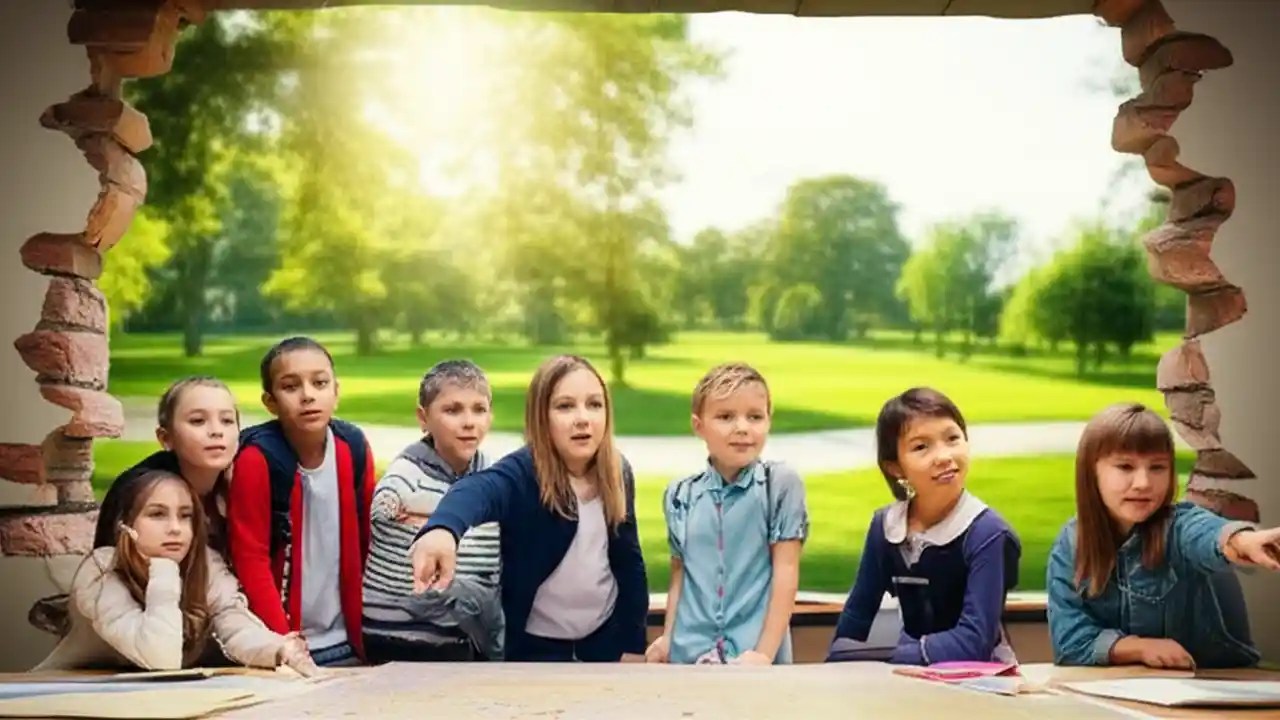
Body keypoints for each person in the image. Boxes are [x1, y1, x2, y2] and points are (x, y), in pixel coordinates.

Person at [408, 354, 649, 663]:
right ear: (541, 416)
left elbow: (629, 563)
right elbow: (479, 490)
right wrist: (443, 529)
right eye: (565, 406)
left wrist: (633, 644)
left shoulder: (616, 470)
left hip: (604, 641)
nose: (582, 418)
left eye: (594, 404)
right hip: (536, 649)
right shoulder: (524, 472)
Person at [1047, 401, 1280, 669]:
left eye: (1157, 467)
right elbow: (1069, 643)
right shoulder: (1070, 544)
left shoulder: (1179, 525)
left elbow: (1207, 533)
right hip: (1126, 692)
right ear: (1091, 472)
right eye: (1125, 467)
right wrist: (1139, 648)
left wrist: (1241, 540)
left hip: (1216, 685)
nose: (1144, 483)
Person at [34, 470, 317, 675]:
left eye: (185, 516)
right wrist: (164, 571)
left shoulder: (205, 563)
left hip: (150, 698)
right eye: (157, 514)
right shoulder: (101, 570)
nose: (175, 528)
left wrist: (278, 649)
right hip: (66, 695)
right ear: (125, 525)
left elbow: (235, 624)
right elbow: (160, 657)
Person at [31, 376, 240, 640]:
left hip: (215, 623)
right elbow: (112, 573)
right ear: (166, 438)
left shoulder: (240, 483)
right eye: (198, 421)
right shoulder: (140, 490)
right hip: (136, 628)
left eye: (227, 420)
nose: (216, 431)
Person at [827, 387, 1021, 665]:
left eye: (952, 439)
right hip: (910, 674)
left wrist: (886, 658)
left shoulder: (988, 533)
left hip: (982, 676)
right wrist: (836, 665)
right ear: (895, 467)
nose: (944, 456)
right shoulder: (886, 526)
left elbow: (974, 642)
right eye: (921, 447)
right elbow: (857, 617)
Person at [227, 336, 376, 667]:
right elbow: (250, 557)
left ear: (336, 391)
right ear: (271, 402)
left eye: (319, 383)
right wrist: (283, 645)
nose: (308, 394)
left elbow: (368, 537)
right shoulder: (257, 459)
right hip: (288, 647)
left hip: (349, 643)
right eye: (290, 386)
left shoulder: (353, 446)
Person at [646, 362, 807, 665]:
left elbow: (786, 573)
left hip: (753, 657)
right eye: (725, 417)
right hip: (690, 656)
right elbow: (680, 574)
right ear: (698, 426)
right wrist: (669, 638)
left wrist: (763, 654)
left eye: (755, 417)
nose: (742, 427)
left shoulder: (780, 485)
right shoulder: (680, 495)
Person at [362, 359, 504, 662]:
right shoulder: (408, 472)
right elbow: (382, 505)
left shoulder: (491, 474)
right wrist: (428, 519)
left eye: (479, 410)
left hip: (464, 632)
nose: (469, 422)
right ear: (423, 418)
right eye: (453, 410)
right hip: (398, 632)